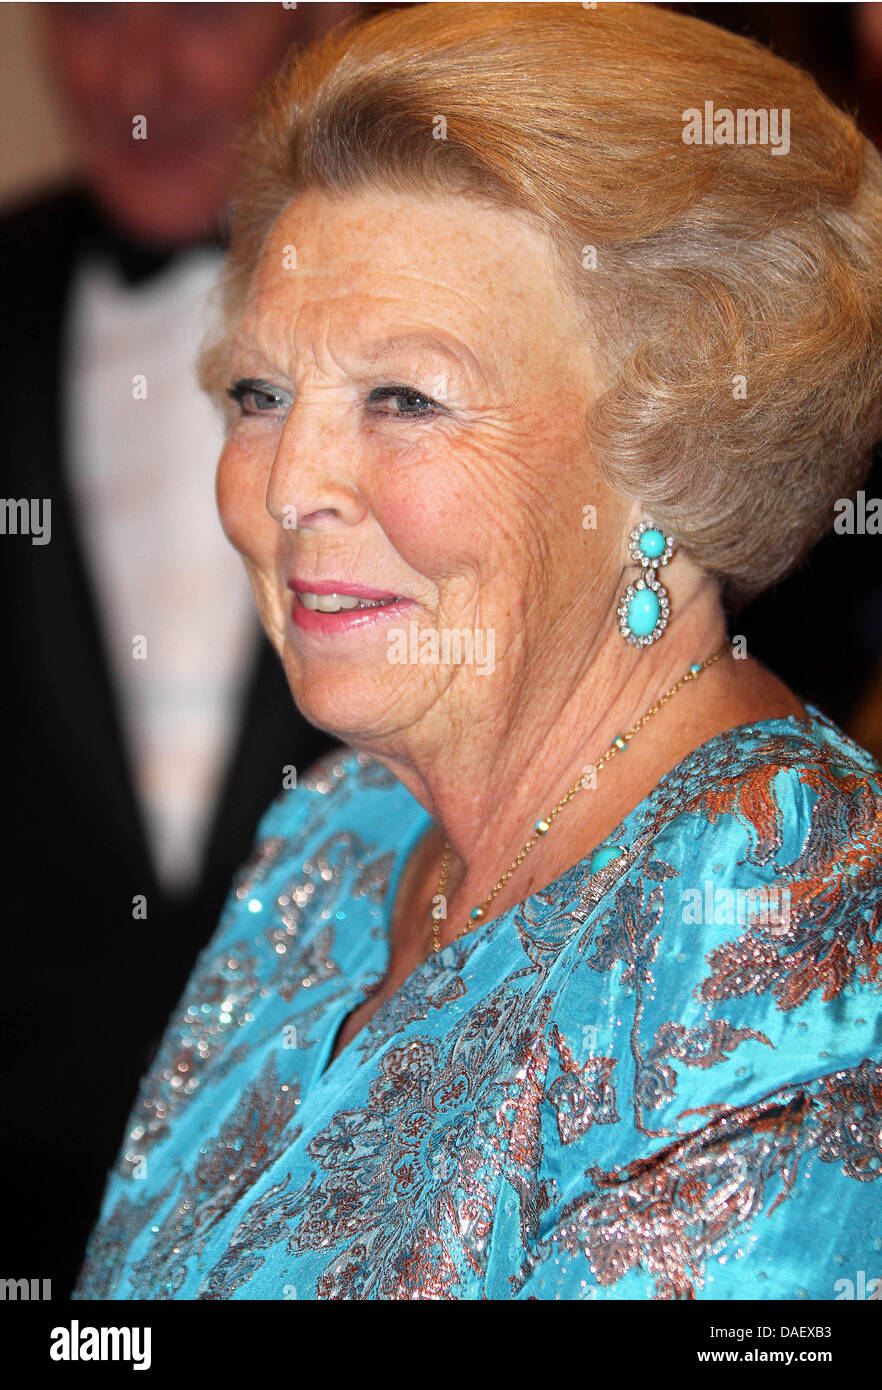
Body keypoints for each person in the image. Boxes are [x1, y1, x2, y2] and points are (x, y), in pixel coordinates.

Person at [74, 1, 882, 1301]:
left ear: (666, 453)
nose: (289, 485)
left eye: (404, 396)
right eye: (261, 395)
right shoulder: (333, 842)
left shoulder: (787, 927)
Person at [0, 2, 358, 1296]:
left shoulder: (446, 321)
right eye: (90, 10)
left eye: (200, 9)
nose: (139, 73)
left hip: (354, 1193)